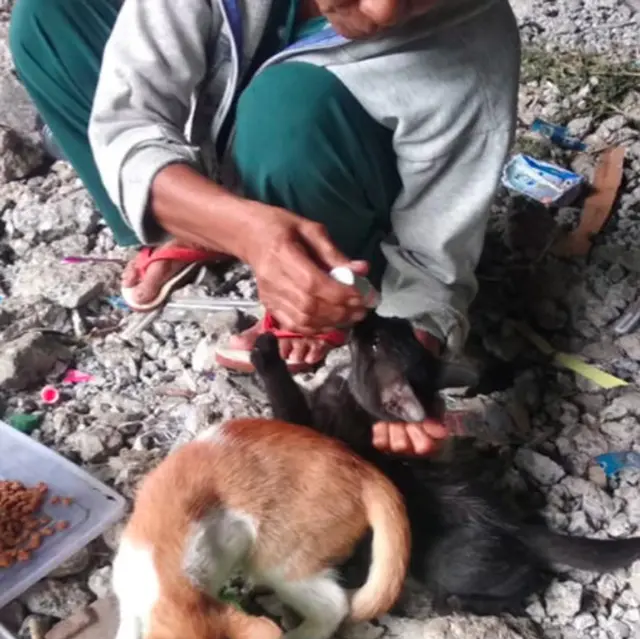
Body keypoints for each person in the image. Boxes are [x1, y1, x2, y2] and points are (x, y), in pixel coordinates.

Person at [9, 0, 519, 455]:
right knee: (52, 17)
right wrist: (245, 232)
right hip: (219, 148)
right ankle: (197, 219)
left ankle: (314, 284)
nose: (384, 10)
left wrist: (409, 361)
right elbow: (128, 121)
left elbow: (432, 260)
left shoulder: (471, 38)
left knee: (288, 108)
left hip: (330, 184)